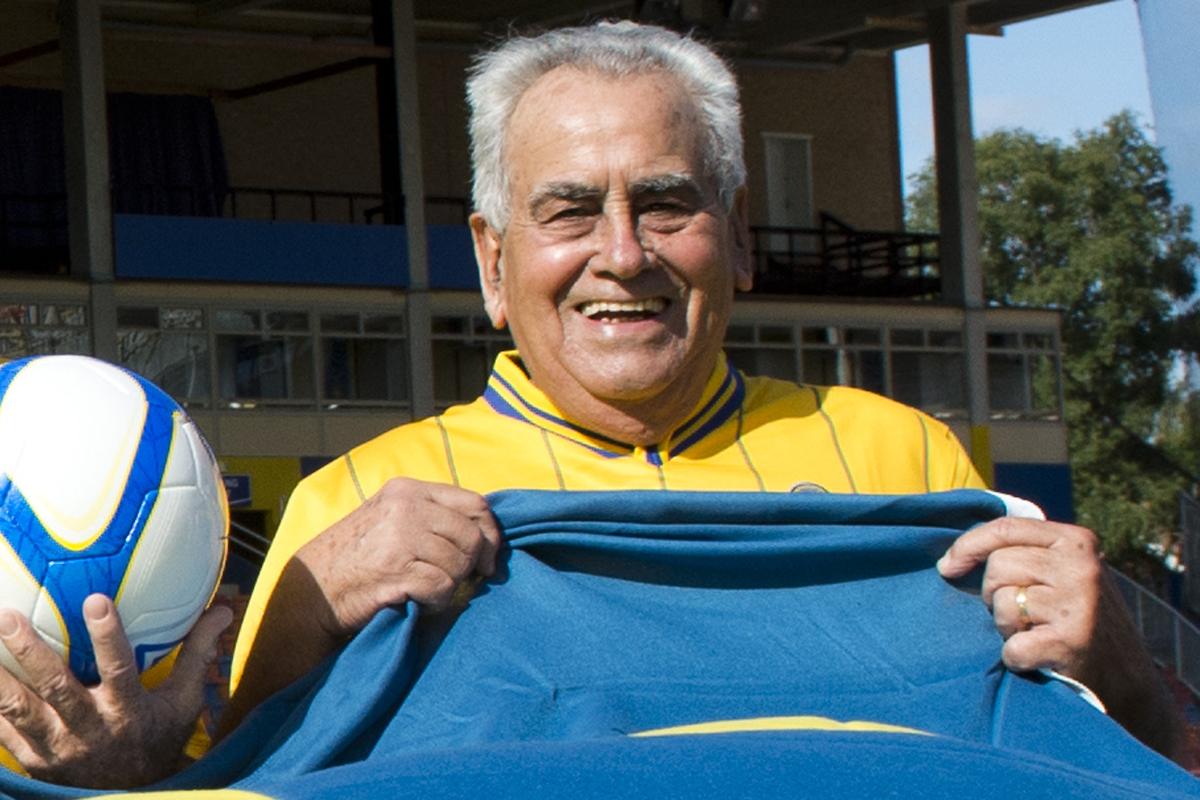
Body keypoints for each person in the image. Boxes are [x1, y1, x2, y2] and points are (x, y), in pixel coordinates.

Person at [0, 20, 1179, 790]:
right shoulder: (356, 505)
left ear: (739, 239)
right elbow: (254, 781)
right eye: (568, 210)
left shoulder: (908, 461)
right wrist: (266, 648)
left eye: (667, 202)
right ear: (491, 262)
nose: (623, 251)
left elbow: (1120, 757)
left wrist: (1120, 668)